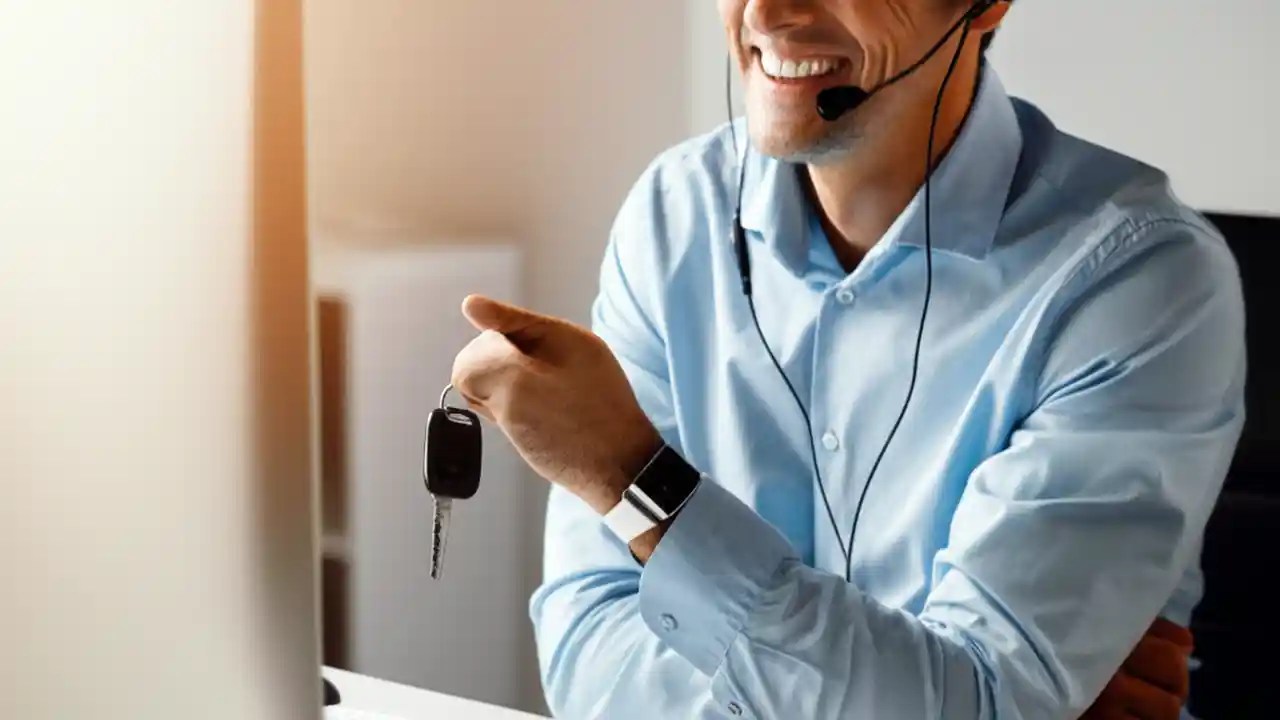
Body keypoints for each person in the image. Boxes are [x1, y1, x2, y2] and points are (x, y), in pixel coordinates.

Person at [451, 1, 1245, 717]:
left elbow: (976, 705)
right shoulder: (676, 216)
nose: (766, 13)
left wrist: (633, 478)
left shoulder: (1137, 279)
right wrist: (907, 692)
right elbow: (591, 646)